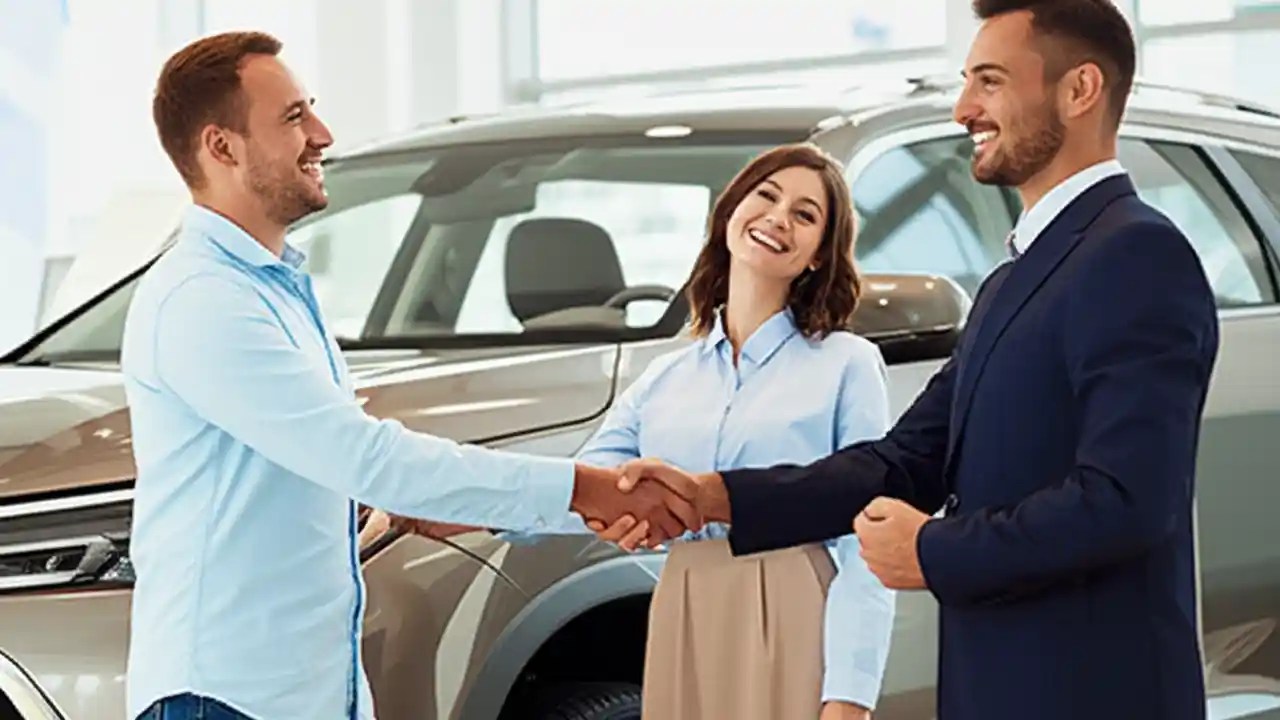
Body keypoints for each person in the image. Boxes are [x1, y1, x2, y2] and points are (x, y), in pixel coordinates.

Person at [621, 2, 1219, 719]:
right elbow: (904, 462)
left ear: (1080, 89)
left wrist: (932, 549)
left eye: (989, 82)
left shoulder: (1134, 253)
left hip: (1089, 693)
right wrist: (713, 497)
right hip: (1000, 683)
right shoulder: (1015, 279)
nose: (965, 108)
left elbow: (1126, 502)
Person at [121, 32, 694, 720]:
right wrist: (586, 491)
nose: (323, 134)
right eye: (294, 117)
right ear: (222, 147)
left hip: (300, 695)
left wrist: (403, 503)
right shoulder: (204, 299)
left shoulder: (272, 287)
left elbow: (306, 470)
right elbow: (364, 456)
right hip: (227, 699)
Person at [517, 143, 895, 720]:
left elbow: (864, 544)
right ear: (730, 213)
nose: (777, 219)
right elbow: (579, 487)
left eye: (804, 214)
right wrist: (449, 503)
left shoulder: (847, 364)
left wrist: (849, 697)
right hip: (683, 605)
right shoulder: (668, 377)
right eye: (766, 196)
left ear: (820, 254)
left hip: (793, 605)